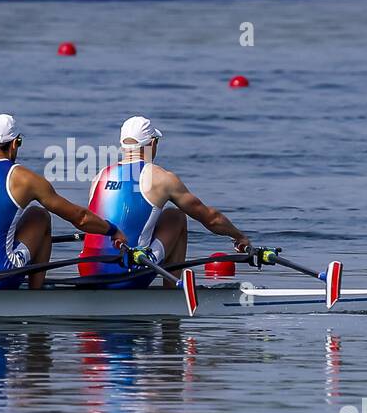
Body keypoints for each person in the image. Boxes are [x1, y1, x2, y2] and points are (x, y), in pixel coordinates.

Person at [0, 115, 129, 289]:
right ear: (16, 143)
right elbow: (80, 218)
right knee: (39, 215)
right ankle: (35, 295)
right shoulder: (25, 179)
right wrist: (113, 230)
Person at [79, 116, 251, 288]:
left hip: (87, 270)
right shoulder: (161, 178)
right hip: (127, 274)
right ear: (152, 143)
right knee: (176, 216)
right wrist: (239, 236)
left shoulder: (100, 176)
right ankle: (172, 296)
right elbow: (211, 218)